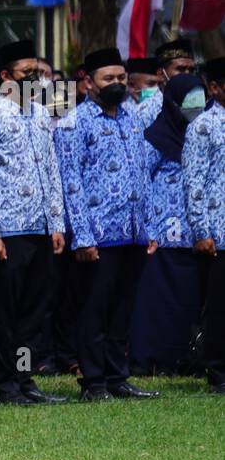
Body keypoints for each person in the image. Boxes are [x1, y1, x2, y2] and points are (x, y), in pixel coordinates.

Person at [0, 39, 66, 405]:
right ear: (6, 76)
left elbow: (51, 170)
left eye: (38, 72)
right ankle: (5, 384)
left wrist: (57, 221)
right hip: (6, 232)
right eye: (28, 74)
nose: (36, 79)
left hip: (39, 228)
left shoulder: (41, 115)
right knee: (5, 313)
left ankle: (25, 379)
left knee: (33, 312)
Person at [55, 48, 158, 401]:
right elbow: (71, 183)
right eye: (107, 79)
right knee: (93, 310)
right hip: (97, 234)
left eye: (121, 78)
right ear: (88, 82)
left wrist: (150, 228)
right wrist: (81, 237)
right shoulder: (75, 123)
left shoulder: (131, 119)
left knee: (122, 310)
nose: (116, 84)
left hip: (132, 231)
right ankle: (94, 381)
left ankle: (118, 376)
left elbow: (144, 175)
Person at [131, 75, 209, 374]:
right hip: (162, 238)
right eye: (187, 104)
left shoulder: (205, 135)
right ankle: (153, 359)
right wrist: (147, 225)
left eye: (199, 103)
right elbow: (141, 182)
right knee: (159, 302)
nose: (194, 110)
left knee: (193, 300)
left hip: (199, 235)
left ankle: (192, 358)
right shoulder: (155, 138)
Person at [183, 61, 225, 394]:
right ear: (214, 88)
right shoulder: (203, 126)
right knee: (219, 306)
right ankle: (217, 371)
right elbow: (193, 181)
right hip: (218, 230)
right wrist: (201, 230)